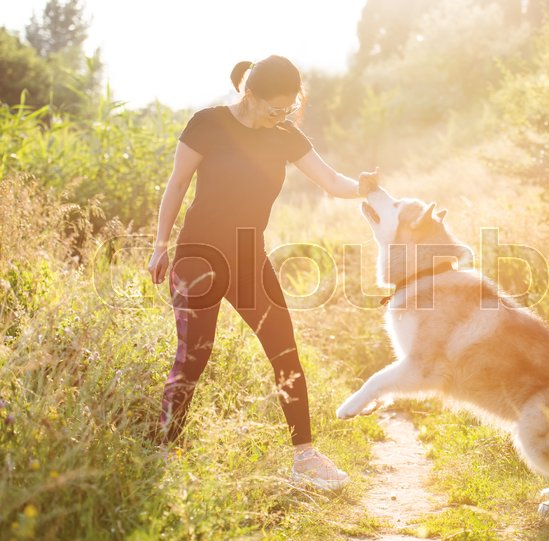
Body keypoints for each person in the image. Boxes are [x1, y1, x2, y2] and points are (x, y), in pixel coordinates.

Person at [146, 55, 378, 490]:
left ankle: (305, 458)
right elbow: (176, 184)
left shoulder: (284, 136)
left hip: (249, 258)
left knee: (284, 350)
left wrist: (362, 187)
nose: (281, 117)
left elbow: (331, 182)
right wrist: (161, 246)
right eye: (274, 109)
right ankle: (164, 451)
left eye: (288, 109)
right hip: (198, 257)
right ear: (248, 94)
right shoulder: (208, 124)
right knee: (193, 356)